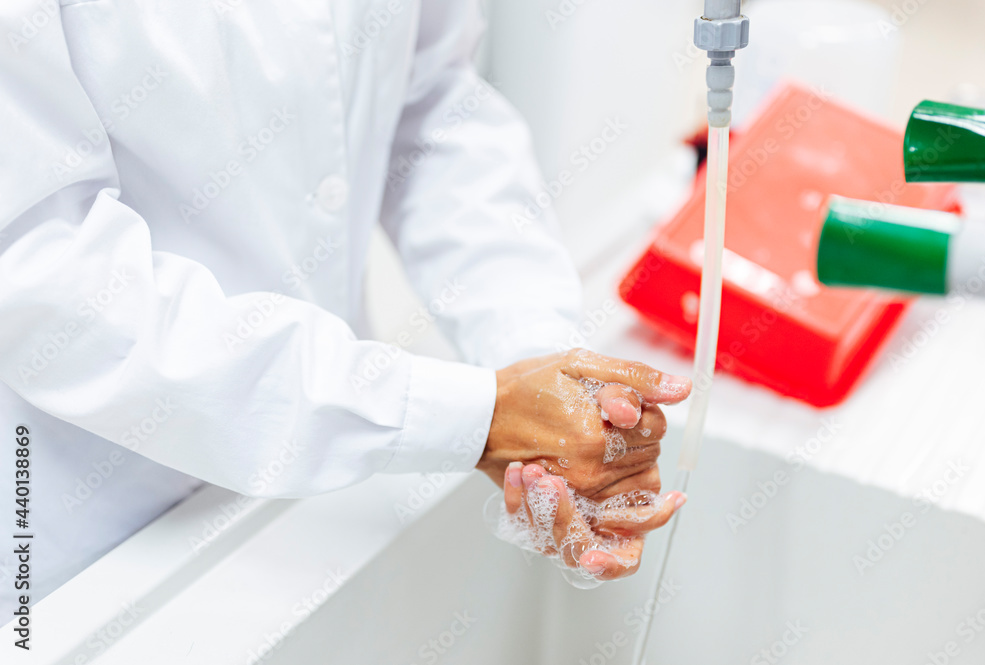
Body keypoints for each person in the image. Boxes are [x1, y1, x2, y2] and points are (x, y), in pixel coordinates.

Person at [0, 0, 689, 609]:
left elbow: (430, 106)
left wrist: (542, 368)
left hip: (321, 482)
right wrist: (472, 415)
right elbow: (49, 278)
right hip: (94, 529)